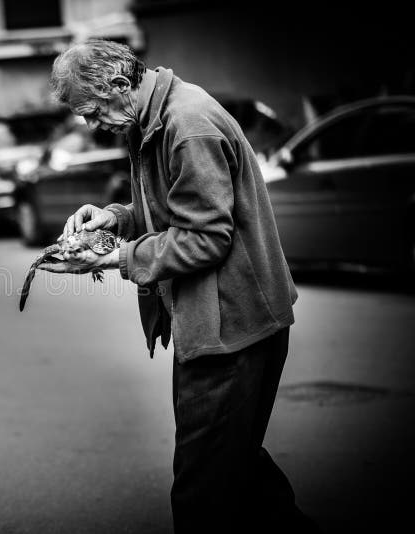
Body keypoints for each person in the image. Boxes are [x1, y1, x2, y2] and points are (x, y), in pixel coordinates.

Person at [38, 39, 318, 533]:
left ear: (119, 86)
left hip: (231, 329)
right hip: (231, 321)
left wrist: (117, 257)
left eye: (90, 112)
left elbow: (206, 237)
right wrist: (115, 217)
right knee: (239, 472)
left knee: (203, 492)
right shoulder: (152, 115)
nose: (89, 125)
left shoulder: (186, 125)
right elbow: (171, 211)